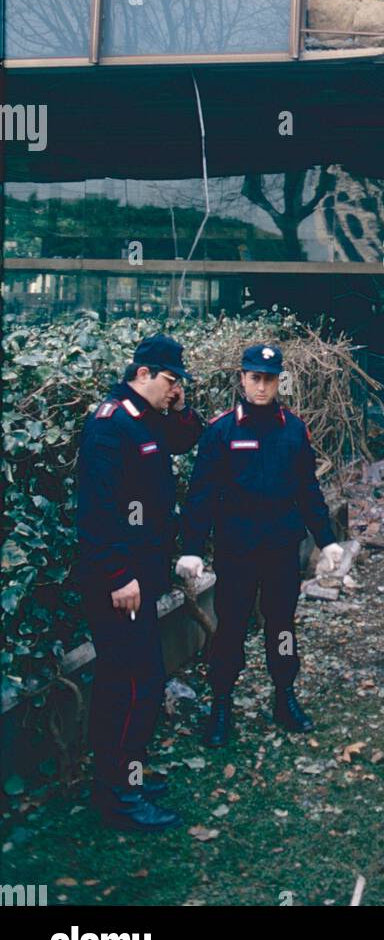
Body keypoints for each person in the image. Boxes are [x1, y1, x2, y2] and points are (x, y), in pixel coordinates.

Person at [177, 344, 343, 745]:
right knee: (231, 627)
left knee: (281, 626)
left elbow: (308, 489)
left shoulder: (293, 429)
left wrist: (327, 541)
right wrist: (193, 548)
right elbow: (201, 494)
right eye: (255, 378)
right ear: (242, 379)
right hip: (237, 548)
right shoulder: (222, 430)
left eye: (269, 378)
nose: (262, 386)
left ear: (278, 380)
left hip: (282, 548)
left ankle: (284, 697)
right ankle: (221, 706)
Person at [76, 333, 203, 831]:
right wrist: (118, 574)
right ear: (143, 373)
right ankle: (119, 796)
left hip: (139, 576)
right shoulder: (111, 425)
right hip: (120, 583)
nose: (174, 389)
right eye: (171, 380)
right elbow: (96, 510)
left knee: (139, 680)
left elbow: (186, 439)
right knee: (130, 685)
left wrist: (180, 404)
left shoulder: (147, 416)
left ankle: (126, 775)